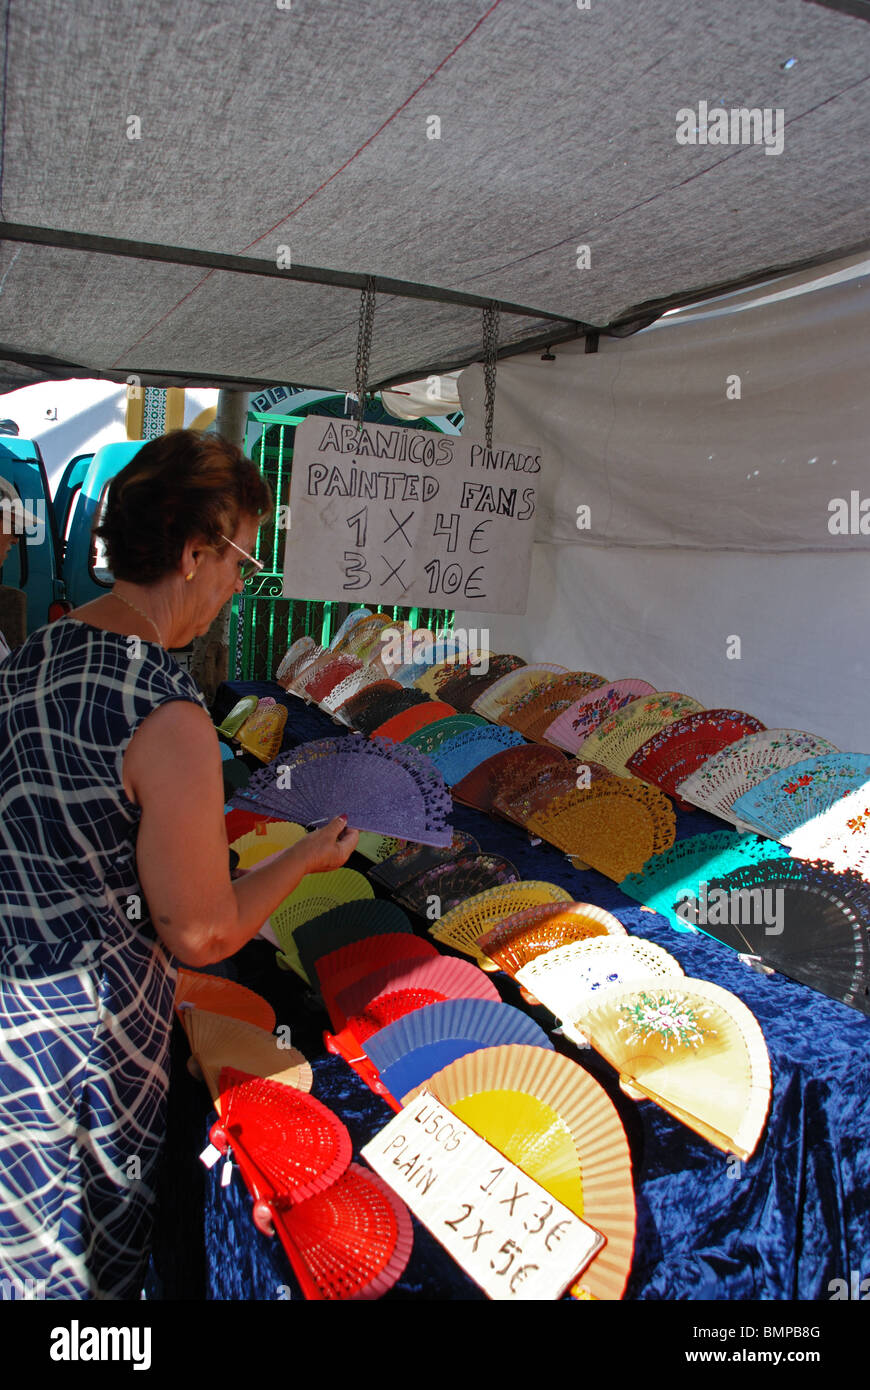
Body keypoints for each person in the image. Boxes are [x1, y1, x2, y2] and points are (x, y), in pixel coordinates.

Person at [0, 430, 358, 1300]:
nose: (241, 585)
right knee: (84, 1276)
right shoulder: (166, 711)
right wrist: (306, 857)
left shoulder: (36, 652)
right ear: (195, 554)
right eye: (240, 559)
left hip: (12, 1010)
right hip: (86, 1049)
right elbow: (201, 932)